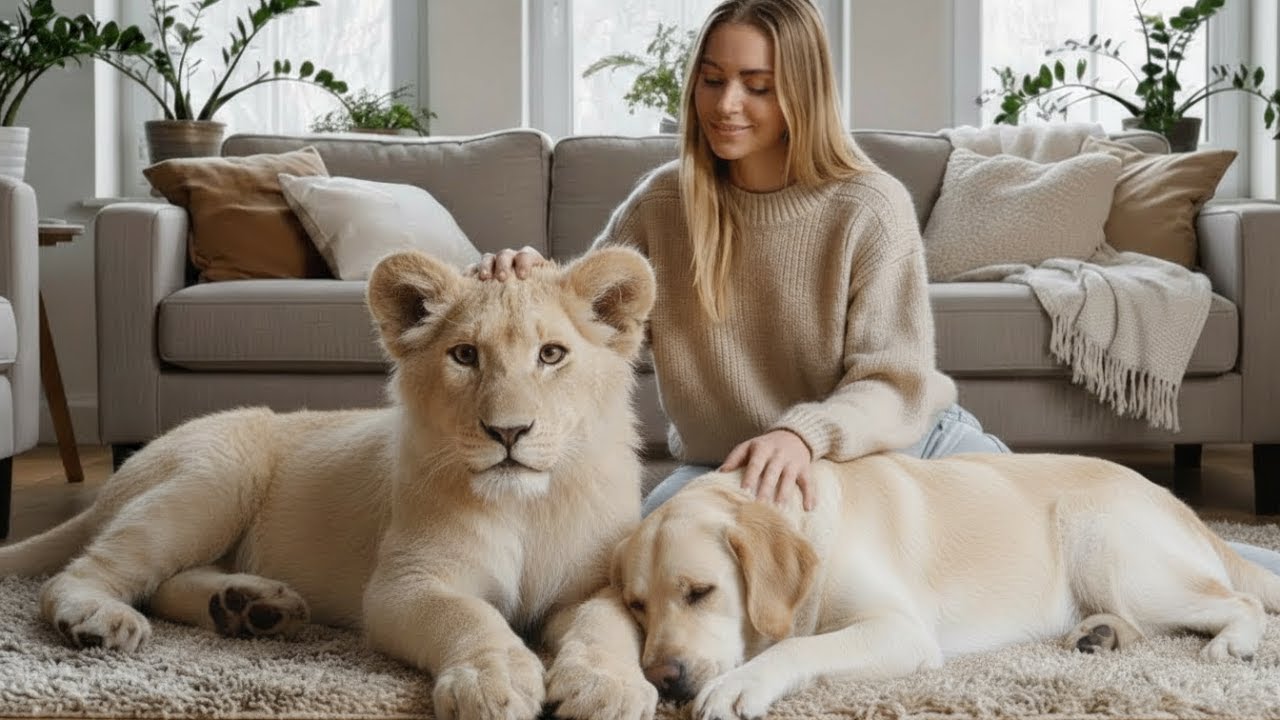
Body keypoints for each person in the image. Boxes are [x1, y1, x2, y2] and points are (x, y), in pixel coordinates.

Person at [477, 0, 1280, 577]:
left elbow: (892, 380)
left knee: (1097, 539)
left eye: (757, 85)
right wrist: (520, 276)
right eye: (714, 79)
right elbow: (582, 314)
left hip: (906, 446)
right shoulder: (665, 200)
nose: (727, 105)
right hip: (737, 465)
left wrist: (804, 434)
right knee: (623, 569)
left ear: (801, 91)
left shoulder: (868, 204)